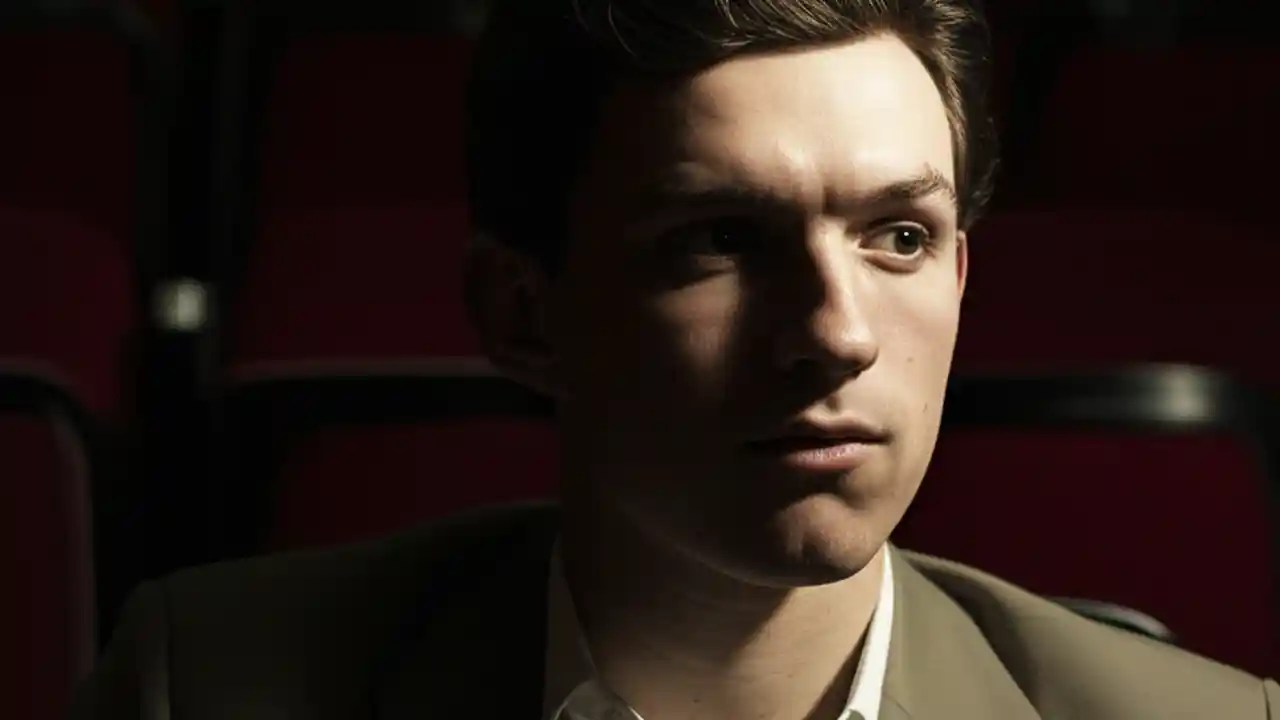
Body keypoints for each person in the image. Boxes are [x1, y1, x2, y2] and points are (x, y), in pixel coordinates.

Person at [72, 0, 1277, 718]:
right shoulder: (207, 686)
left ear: (961, 277)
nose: (837, 333)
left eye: (898, 237)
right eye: (719, 240)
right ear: (522, 312)